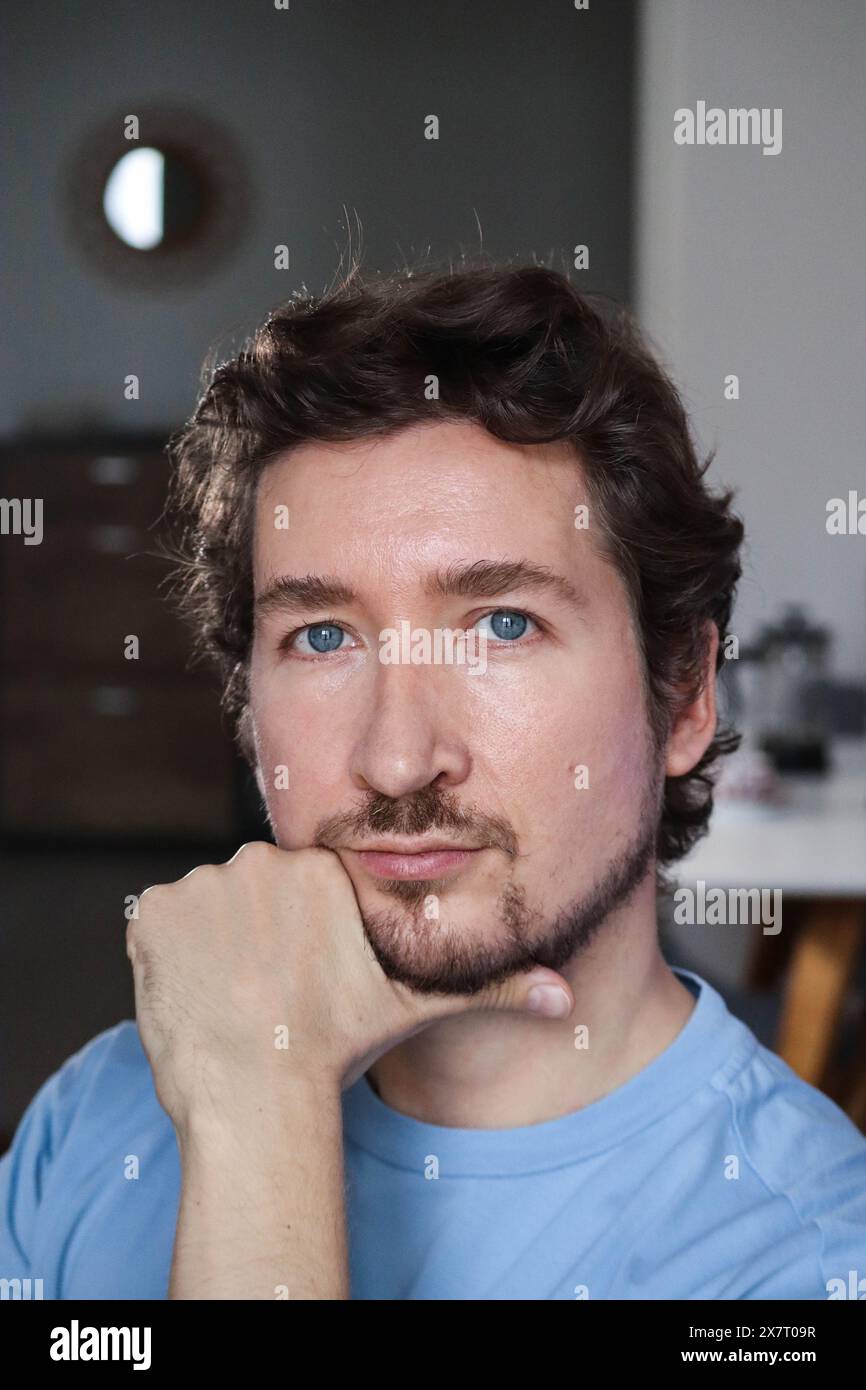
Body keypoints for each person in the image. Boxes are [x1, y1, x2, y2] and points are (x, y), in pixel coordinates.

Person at [2, 261, 865, 1300]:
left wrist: (264, 1104)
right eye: (321, 636)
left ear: (681, 693)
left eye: (503, 625)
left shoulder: (803, 1261)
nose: (398, 757)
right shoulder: (92, 1119)